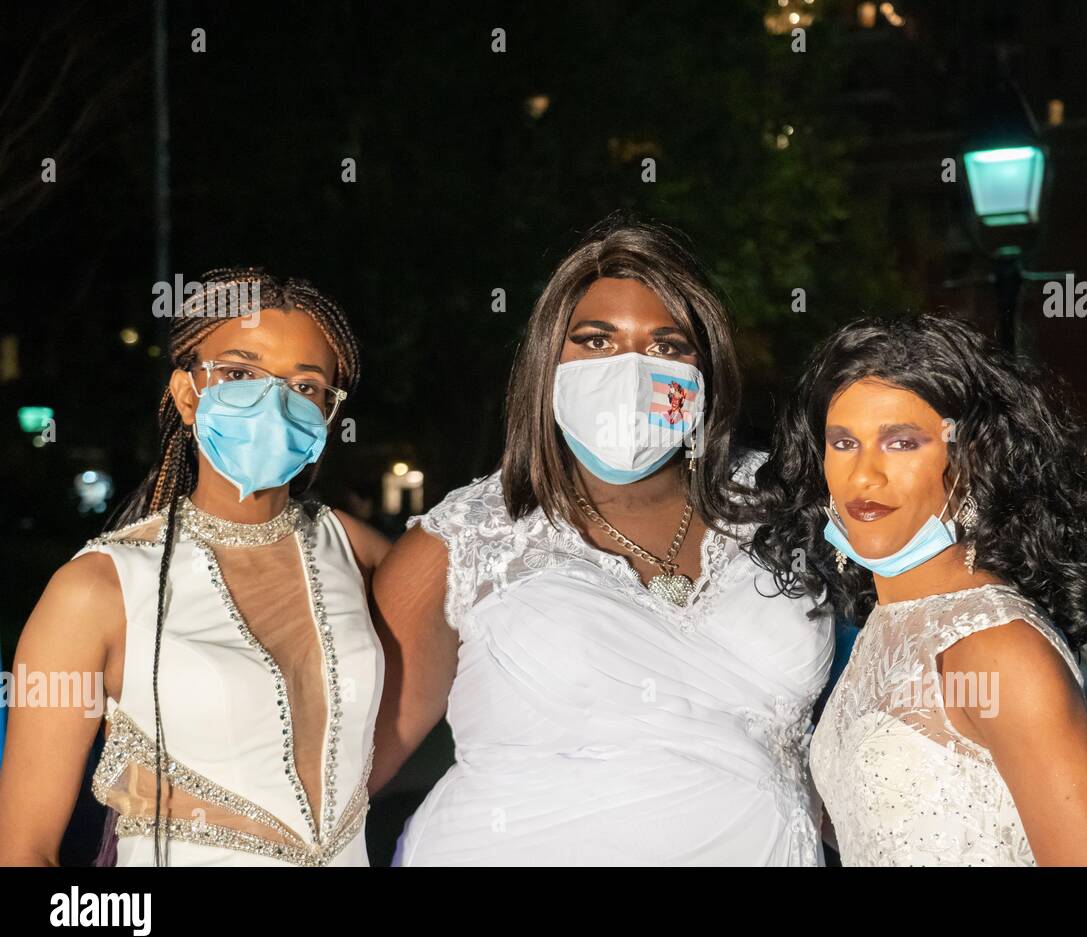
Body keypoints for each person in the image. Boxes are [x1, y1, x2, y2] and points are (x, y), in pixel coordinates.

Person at [370, 215, 834, 865]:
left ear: (708, 370)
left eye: (668, 344)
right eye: (596, 340)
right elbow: (338, 778)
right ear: (546, 363)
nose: (633, 369)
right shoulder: (465, 538)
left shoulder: (790, 505)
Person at [0, 269, 390, 866]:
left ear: (329, 412)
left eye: (305, 386)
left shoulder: (358, 552)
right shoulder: (99, 588)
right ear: (188, 395)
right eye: (239, 373)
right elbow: (21, 851)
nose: (273, 401)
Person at [748, 312, 1087, 865]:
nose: (865, 475)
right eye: (844, 442)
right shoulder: (886, 623)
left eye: (902, 443)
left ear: (972, 462)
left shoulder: (1000, 648)